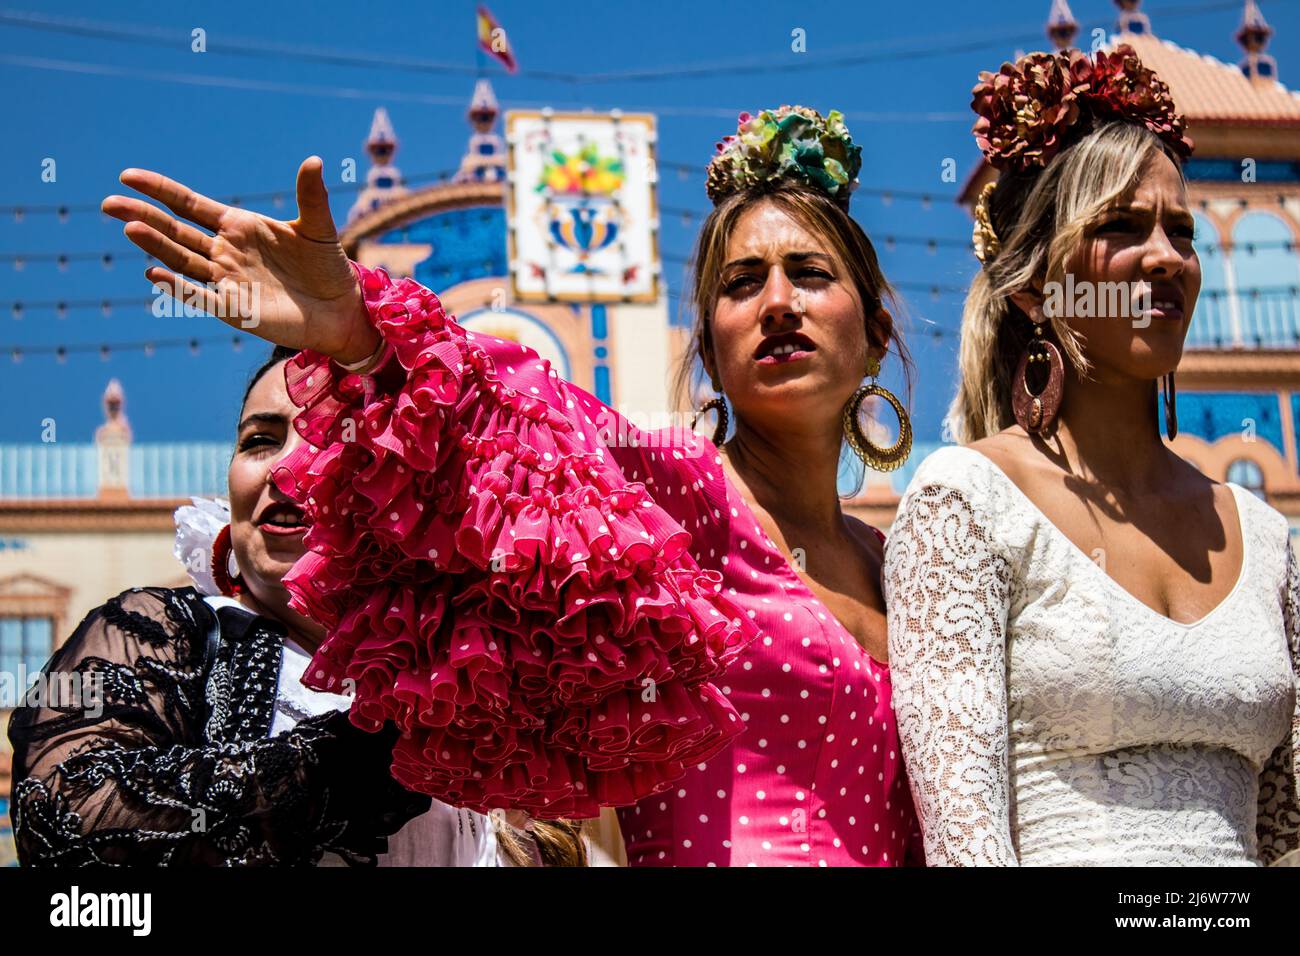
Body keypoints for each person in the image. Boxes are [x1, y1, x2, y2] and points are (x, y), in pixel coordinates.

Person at [96, 105, 923, 866]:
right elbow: (500, 408)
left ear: (876, 332)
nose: (778, 302)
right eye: (742, 284)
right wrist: (361, 331)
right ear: (707, 347)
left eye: (809, 273)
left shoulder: (908, 562)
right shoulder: (668, 495)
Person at [884, 46, 1300, 866]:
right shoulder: (966, 500)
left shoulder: (1265, 536)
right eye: (1119, 226)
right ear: (1037, 286)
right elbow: (967, 845)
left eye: (1182, 232)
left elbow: (1285, 834)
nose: (1165, 257)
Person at [7, 346, 585, 866]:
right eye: (259, 440)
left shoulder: (490, 690)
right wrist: (362, 755)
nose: (284, 468)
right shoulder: (168, 633)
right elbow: (66, 821)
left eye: (330, 438)